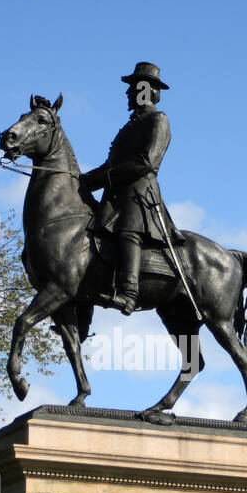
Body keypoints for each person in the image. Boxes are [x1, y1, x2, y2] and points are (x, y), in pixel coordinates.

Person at [81, 62, 179, 314]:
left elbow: (146, 162)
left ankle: (129, 293)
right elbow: (110, 164)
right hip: (115, 195)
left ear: (146, 91)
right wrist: (84, 180)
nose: (127, 92)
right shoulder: (128, 127)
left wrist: (106, 178)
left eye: (133, 88)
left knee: (129, 231)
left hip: (139, 196)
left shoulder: (158, 120)